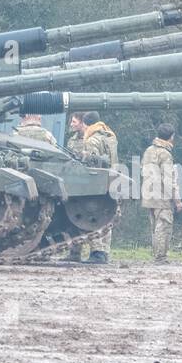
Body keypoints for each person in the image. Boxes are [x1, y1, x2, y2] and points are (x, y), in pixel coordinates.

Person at [140, 123, 182, 263]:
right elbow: (169, 179)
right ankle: (160, 257)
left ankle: (157, 255)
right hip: (162, 195)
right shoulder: (165, 154)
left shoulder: (148, 151)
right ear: (171, 137)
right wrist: (177, 200)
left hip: (148, 193)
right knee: (163, 226)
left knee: (155, 226)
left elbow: (142, 170)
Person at [79, 111, 118, 264]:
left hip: (97, 182)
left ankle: (97, 251)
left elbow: (92, 164)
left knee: (93, 217)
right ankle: (105, 252)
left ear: (85, 124)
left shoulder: (91, 140)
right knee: (108, 216)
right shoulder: (110, 136)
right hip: (112, 179)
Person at [63, 114, 88, 262]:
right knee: (72, 219)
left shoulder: (90, 139)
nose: (71, 124)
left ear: (82, 123)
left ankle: (97, 252)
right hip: (72, 181)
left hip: (85, 183)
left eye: (74, 121)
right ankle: (74, 252)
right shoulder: (72, 140)